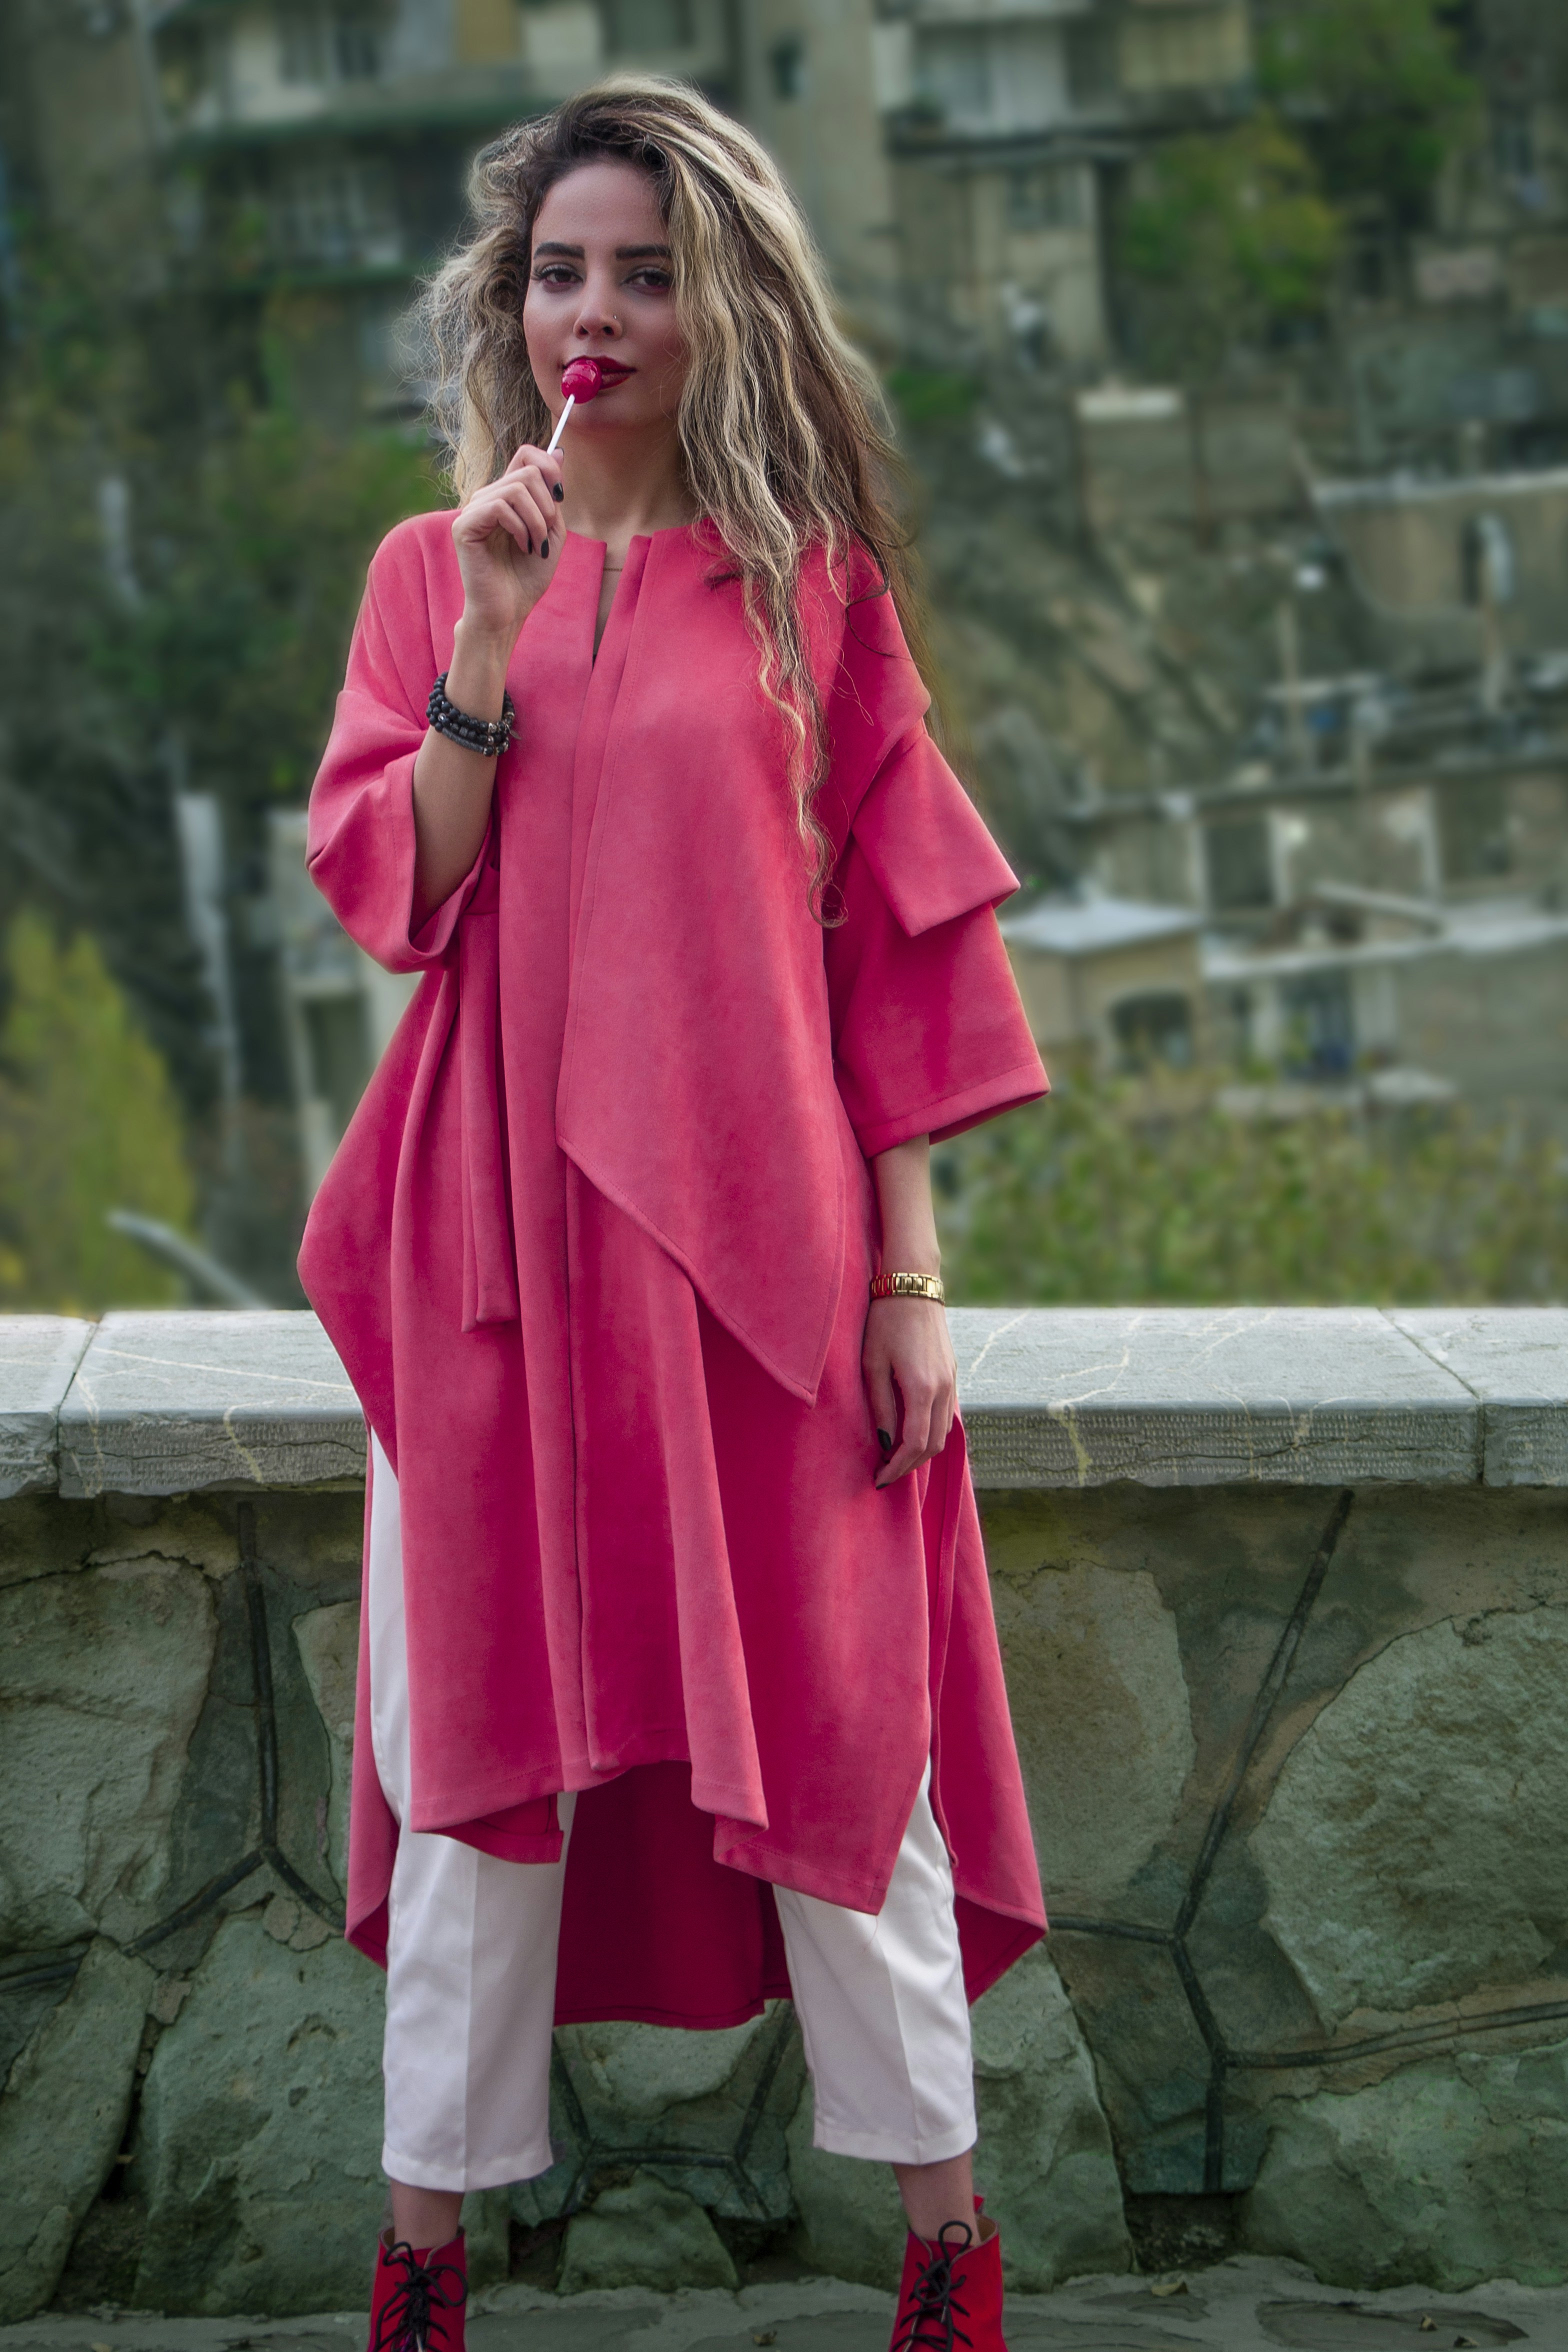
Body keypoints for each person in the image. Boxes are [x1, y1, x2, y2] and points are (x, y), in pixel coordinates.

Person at [300, 76, 1049, 2352]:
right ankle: (421, 2268)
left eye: (640, 271)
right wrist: (488, 649)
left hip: (771, 1265)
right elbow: (399, 895)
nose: (591, 315)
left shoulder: (817, 597)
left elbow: (883, 954)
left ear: (716, 307)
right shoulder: (437, 573)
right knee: (476, 1765)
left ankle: (946, 2251)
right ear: (509, 310)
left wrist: (911, 1282)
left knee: (847, 1739)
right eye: (555, 273)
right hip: (494, 1269)